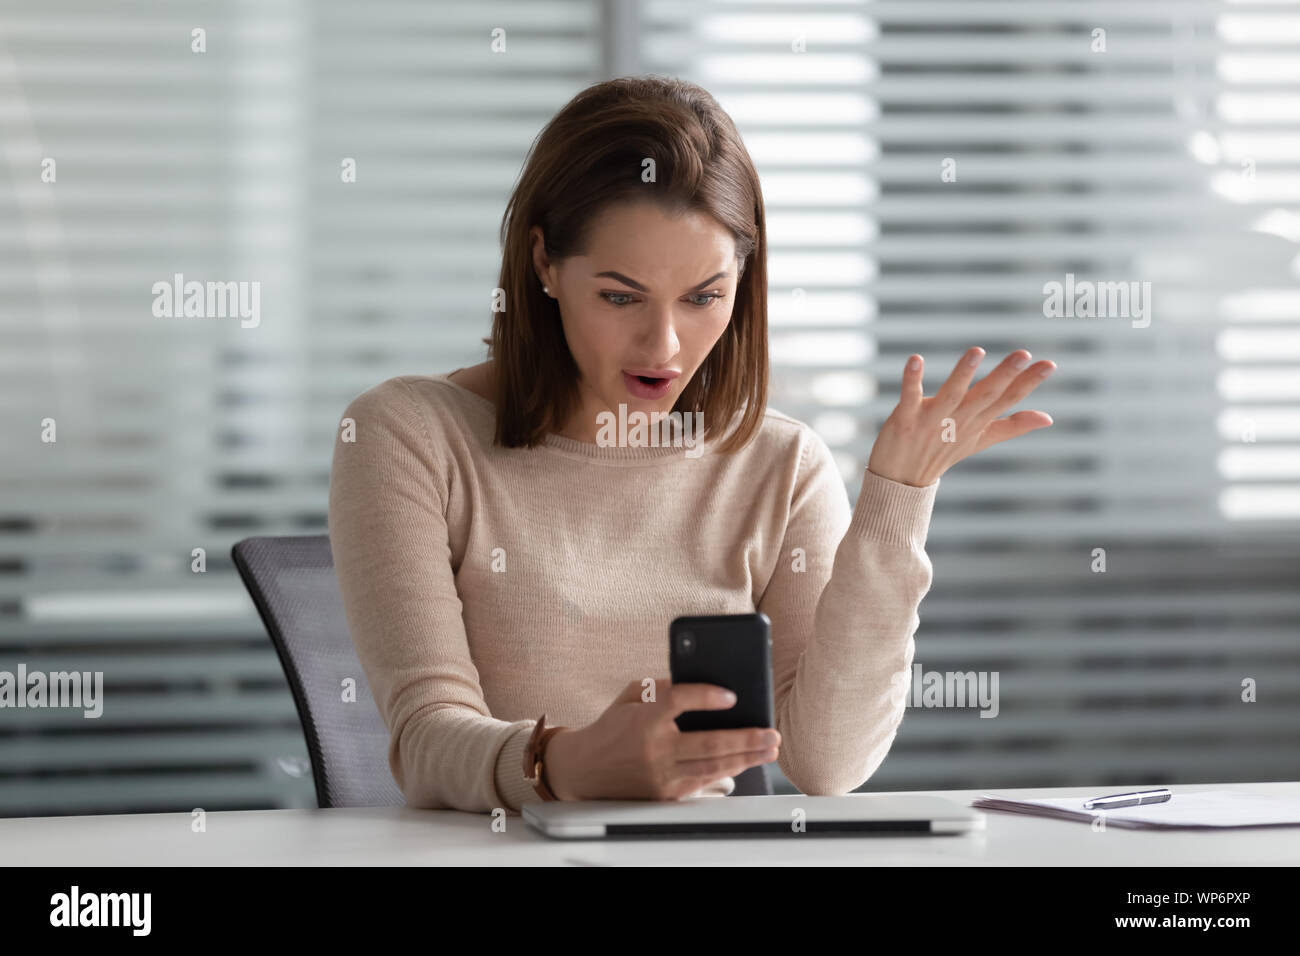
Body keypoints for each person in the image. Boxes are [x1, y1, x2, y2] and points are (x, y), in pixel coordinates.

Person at [327, 75, 1056, 814]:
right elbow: (425, 742)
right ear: (544, 262)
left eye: (704, 297)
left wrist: (897, 502)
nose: (664, 345)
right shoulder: (410, 434)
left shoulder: (781, 466)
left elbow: (827, 764)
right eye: (621, 296)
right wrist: (565, 764)